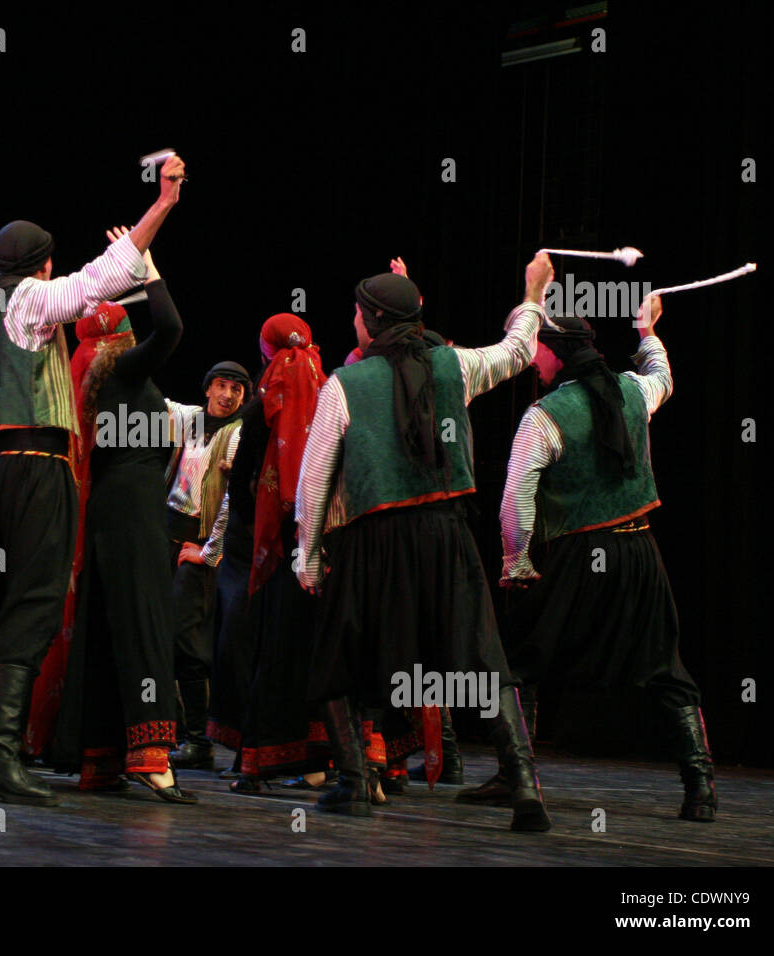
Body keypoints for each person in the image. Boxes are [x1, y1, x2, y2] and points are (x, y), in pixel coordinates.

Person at [296, 254, 552, 830]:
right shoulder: (452, 366)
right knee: (485, 659)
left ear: (370, 321)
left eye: (358, 314)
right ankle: (525, 789)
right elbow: (516, 352)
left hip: (373, 543)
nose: (353, 321)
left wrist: (308, 555)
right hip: (448, 537)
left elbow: (314, 482)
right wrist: (533, 293)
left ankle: (356, 782)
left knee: (336, 660)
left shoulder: (344, 383)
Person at [0, 155, 187, 806]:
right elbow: (96, 280)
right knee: (34, 605)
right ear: (39, 264)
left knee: (15, 606)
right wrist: (162, 206)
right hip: (37, 470)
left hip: (3, 470)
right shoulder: (29, 299)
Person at [458, 295, 716, 822]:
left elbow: (517, 495)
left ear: (555, 353)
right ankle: (701, 788)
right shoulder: (633, 390)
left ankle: (518, 776)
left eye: (536, 350)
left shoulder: (544, 415)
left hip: (582, 558)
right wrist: (647, 333)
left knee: (509, 661)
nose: (531, 359)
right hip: (642, 551)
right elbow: (662, 376)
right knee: (664, 667)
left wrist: (516, 561)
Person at [51, 231, 194, 802]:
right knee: (144, 626)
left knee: (106, 627)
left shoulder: (91, 383)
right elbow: (173, 328)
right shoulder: (129, 371)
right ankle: (152, 759)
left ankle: (100, 758)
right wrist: (150, 269)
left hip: (106, 514)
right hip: (134, 515)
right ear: (120, 339)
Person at [211, 314, 335, 794]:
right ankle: (316, 763)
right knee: (310, 650)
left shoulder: (263, 403)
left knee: (265, 651)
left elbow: (241, 489)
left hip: (271, 548)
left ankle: (258, 763)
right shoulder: (329, 392)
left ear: (266, 351)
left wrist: (256, 534)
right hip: (318, 542)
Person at [165, 360, 250, 770]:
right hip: (167, 534)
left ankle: (198, 740)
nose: (228, 394)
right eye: (221, 384)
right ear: (207, 388)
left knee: (188, 638)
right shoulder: (191, 420)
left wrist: (209, 551)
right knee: (160, 632)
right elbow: (154, 405)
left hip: (198, 542)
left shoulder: (238, 436)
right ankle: (172, 732)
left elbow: (231, 500)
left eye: (237, 389)